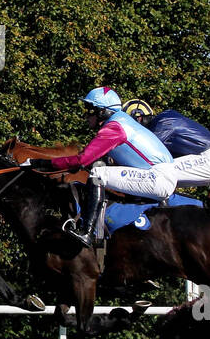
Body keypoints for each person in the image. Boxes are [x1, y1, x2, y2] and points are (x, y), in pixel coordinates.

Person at [29, 86, 176, 250]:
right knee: (101, 169)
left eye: (90, 110)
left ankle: (87, 232)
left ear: (102, 112)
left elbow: (82, 160)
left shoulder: (113, 128)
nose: (86, 115)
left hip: (158, 178)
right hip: (161, 175)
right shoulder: (121, 122)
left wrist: (42, 164)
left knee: (98, 173)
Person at [123, 98, 210, 189]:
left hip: (209, 159)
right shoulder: (163, 121)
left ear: (139, 117)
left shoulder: (163, 123)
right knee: (162, 181)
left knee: (154, 174)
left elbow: (144, 152)